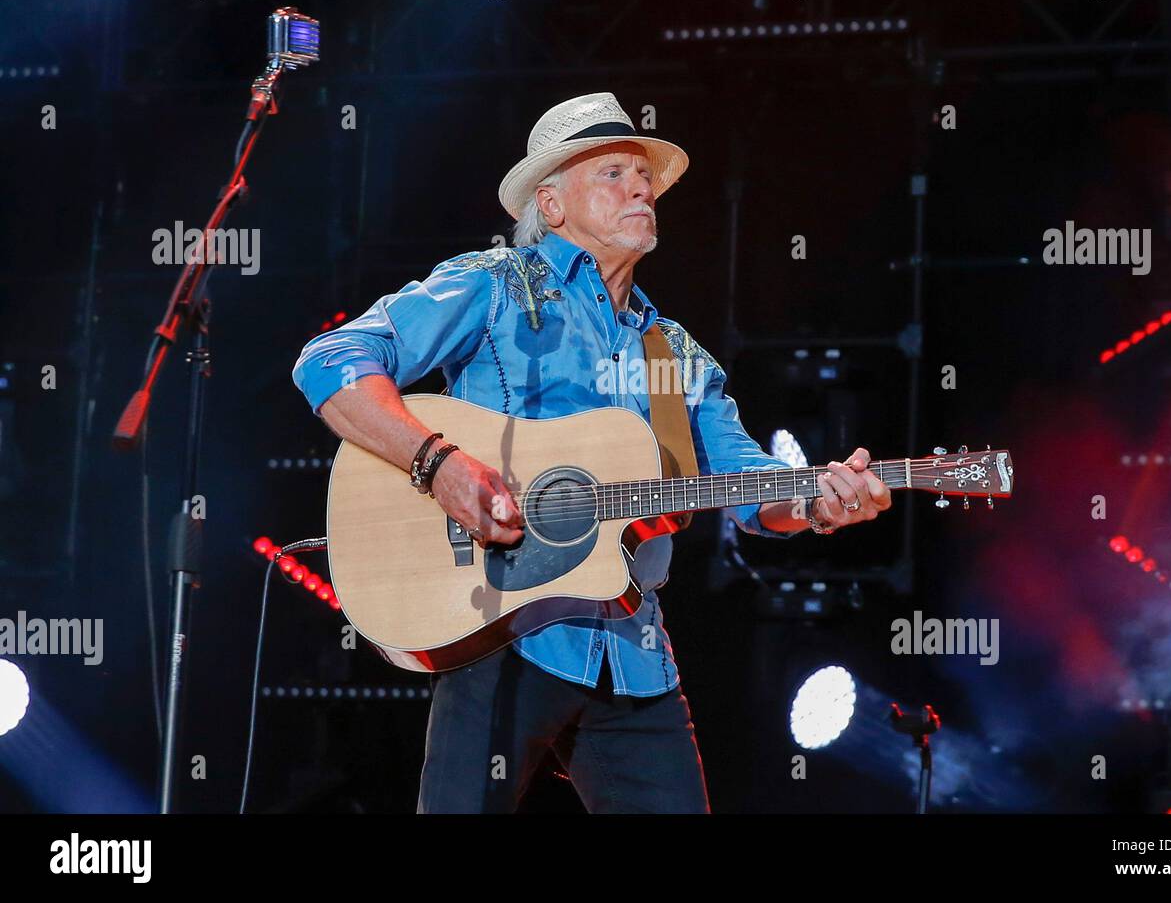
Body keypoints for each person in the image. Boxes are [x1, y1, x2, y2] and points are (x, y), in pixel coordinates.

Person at [291, 92, 892, 813]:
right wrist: (439, 464)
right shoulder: (494, 286)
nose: (640, 187)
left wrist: (818, 500)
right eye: (613, 172)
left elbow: (751, 487)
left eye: (644, 177)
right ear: (550, 205)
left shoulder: (674, 353)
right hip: (498, 629)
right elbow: (332, 360)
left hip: (632, 648)